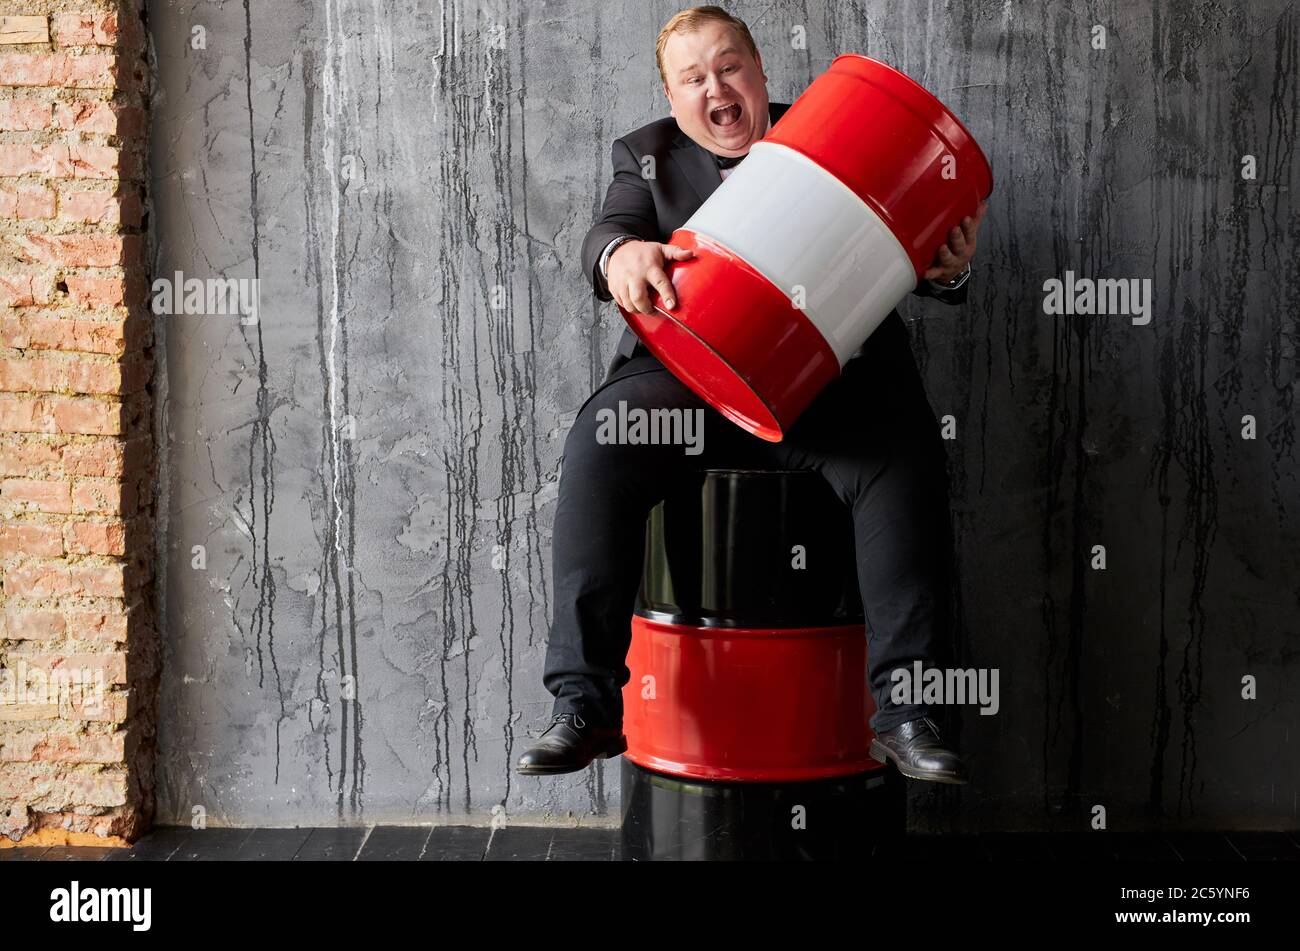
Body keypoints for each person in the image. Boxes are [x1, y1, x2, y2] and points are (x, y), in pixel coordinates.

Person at [517, 5, 988, 784]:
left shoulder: (833, 132)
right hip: (689, 384)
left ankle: (909, 712)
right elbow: (605, 234)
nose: (717, 89)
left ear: (763, 71)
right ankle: (585, 705)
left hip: (830, 388)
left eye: (730, 67)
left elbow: (920, 247)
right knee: (604, 437)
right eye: (693, 78)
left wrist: (950, 266)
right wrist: (619, 256)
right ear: (672, 98)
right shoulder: (646, 156)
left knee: (904, 453)